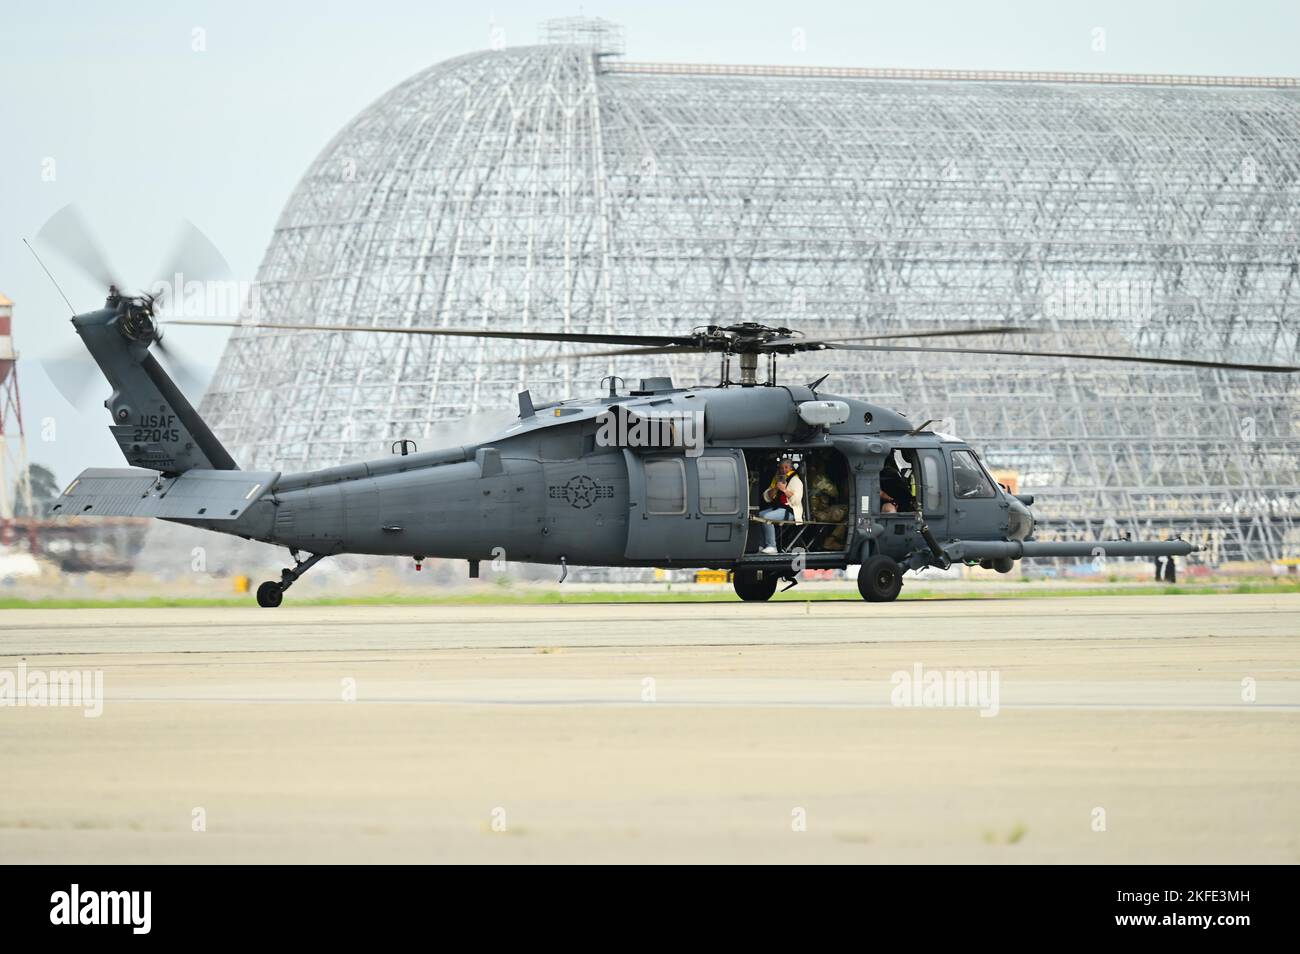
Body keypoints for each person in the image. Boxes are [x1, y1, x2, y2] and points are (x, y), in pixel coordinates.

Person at [758, 457, 803, 554]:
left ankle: (772, 546)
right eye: (781, 468)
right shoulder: (777, 479)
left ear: (791, 468)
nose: (783, 470)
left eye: (786, 467)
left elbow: (796, 500)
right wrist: (775, 489)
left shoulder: (795, 480)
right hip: (778, 508)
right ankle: (762, 545)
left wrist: (784, 490)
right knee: (760, 515)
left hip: (791, 511)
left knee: (766, 517)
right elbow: (766, 497)